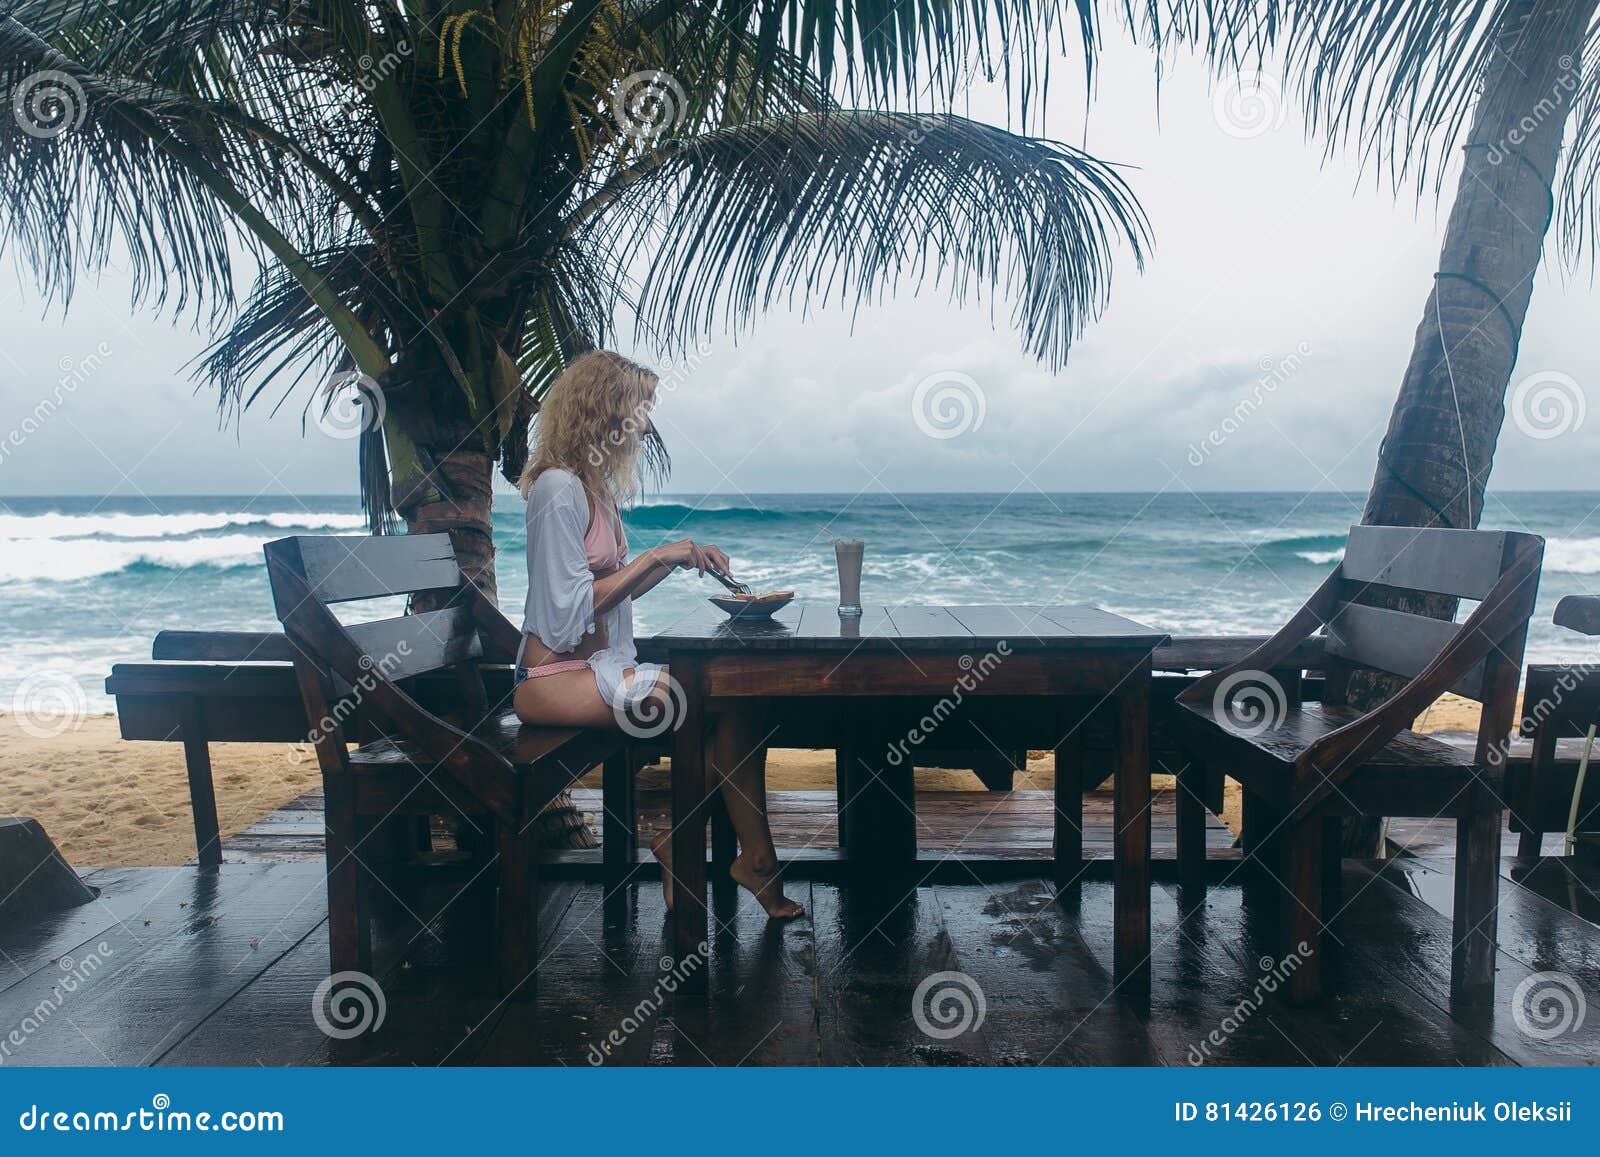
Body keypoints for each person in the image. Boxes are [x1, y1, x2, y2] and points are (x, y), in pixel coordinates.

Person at [512, 350, 803, 919]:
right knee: (694, 700)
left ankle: (746, 857)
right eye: (637, 411)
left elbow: (609, 594)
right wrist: (652, 556)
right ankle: (692, 850)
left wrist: (671, 563)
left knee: (737, 701)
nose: (644, 425)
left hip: (598, 670)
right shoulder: (556, 490)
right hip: (552, 677)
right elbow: (564, 616)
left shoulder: (593, 488)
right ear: (602, 413)